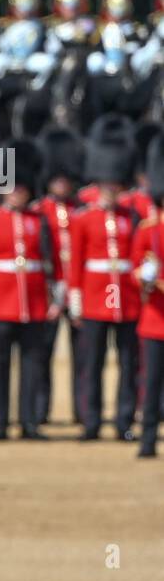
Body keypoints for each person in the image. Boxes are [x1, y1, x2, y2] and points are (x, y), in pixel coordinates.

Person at [0, 139, 60, 439]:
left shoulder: (40, 221)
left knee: (32, 365)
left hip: (33, 302)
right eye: (13, 188)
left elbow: (50, 263)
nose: (17, 193)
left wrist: (54, 298)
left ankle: (29, 421)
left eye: (22, 189)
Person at [69, 124, 140, 441]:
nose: (110, 190)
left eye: (115, 185)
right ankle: (91, 420)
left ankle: (124, 420)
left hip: (126, 296)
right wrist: (75, 298)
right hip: (96, 295)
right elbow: (77, 260)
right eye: (106, 185)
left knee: (127, 363)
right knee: (92, 363)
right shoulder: (84, 218)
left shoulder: (132, 217)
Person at [35, 127, 84, 424]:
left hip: (80, 288)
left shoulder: (82, 209)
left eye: (65, 179)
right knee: (43, 355)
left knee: (84, 357)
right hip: (50, 288)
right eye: (57, 179)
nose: (62, 184)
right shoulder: (40, 210)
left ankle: (83, 411)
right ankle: (40, 412)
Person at [131, 136, 164, 458]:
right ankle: (147, 441)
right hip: (156, 319)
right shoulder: (148, 229)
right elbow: (134, 268)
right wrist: (145, 274)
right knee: (151, 383)